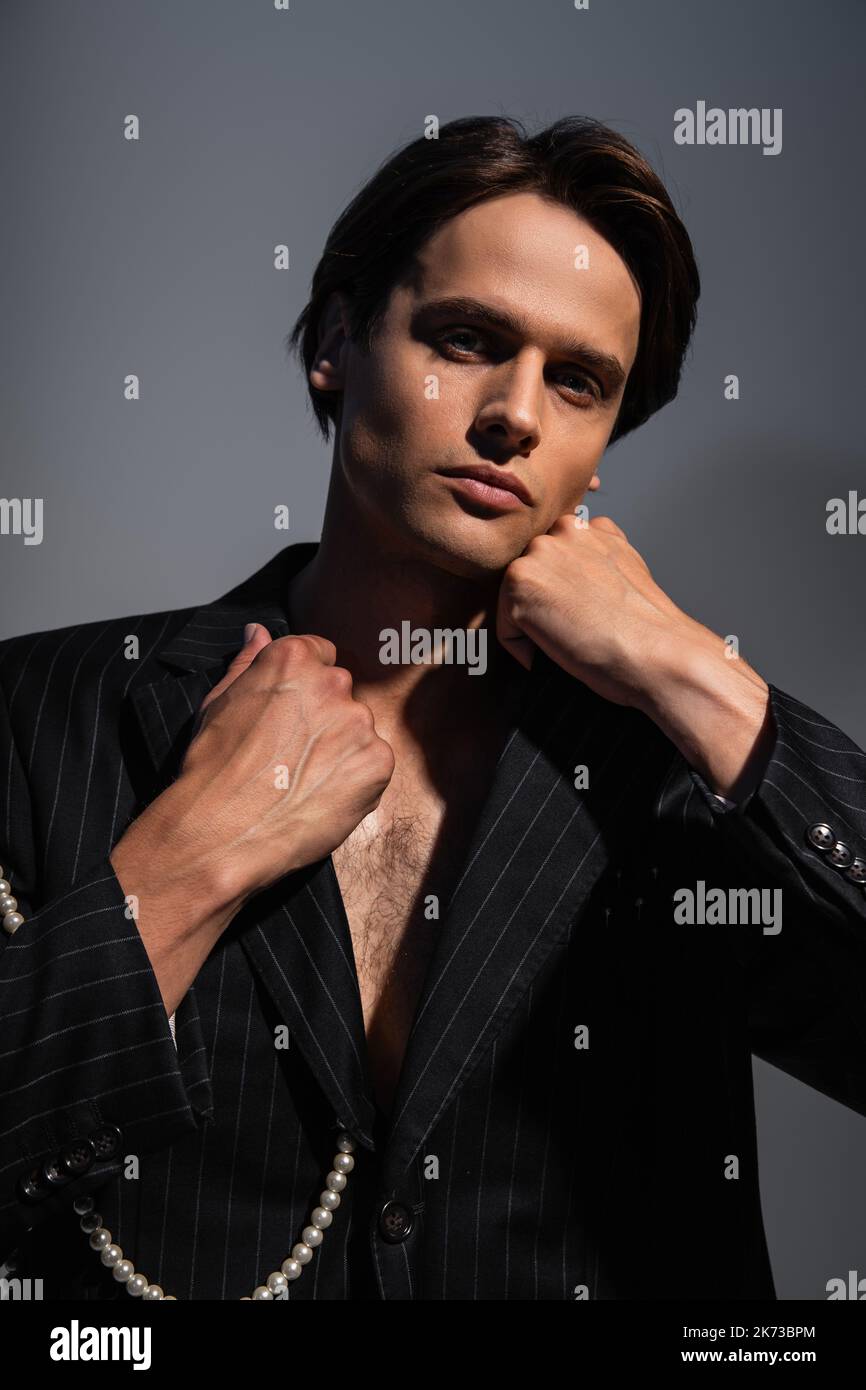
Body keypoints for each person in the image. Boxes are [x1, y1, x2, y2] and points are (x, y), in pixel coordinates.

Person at [1, 115, 864, 1302]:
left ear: (602, 444)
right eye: (466, 339)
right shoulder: (41, 715)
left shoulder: (663, 766)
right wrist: (189, 861)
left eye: (576, 382)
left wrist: (687, 667)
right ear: (337, 341)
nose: (516, 412)